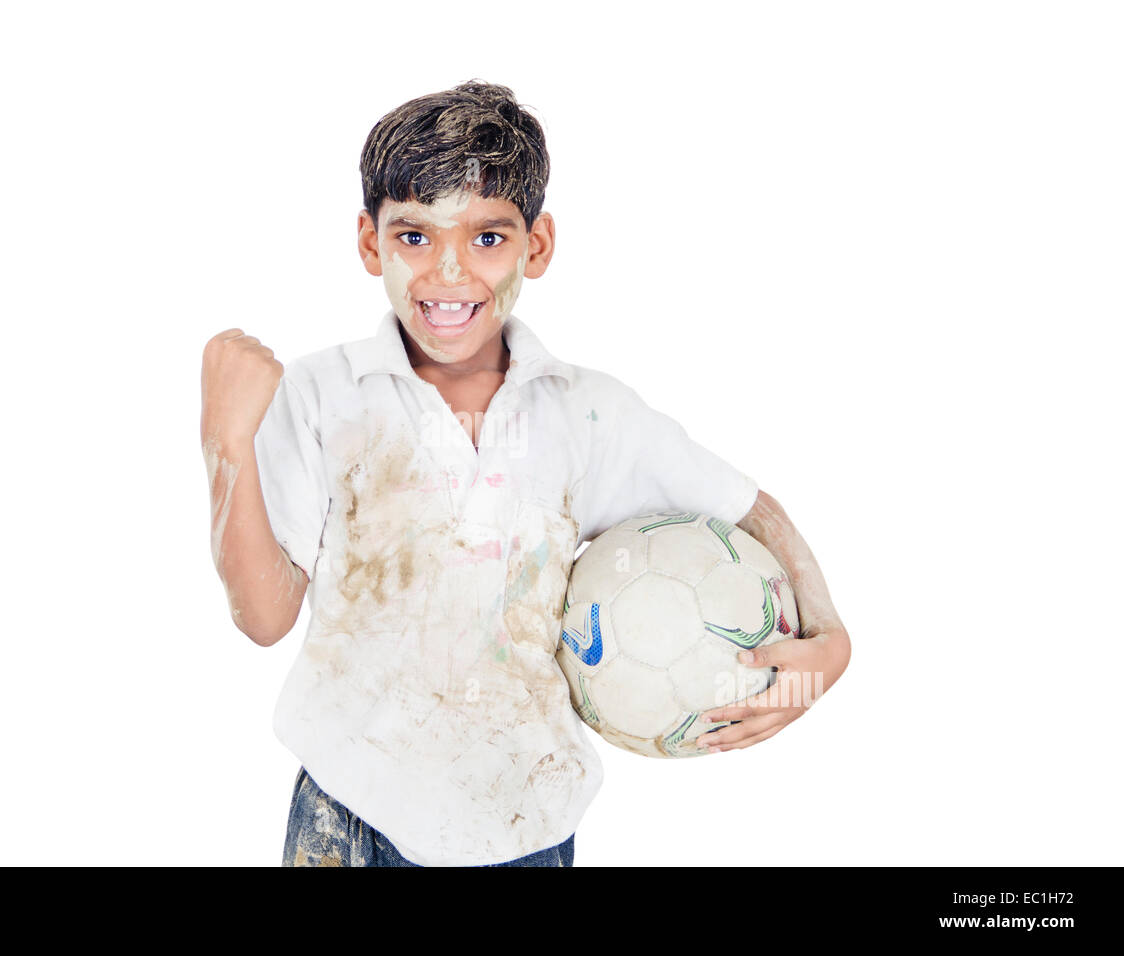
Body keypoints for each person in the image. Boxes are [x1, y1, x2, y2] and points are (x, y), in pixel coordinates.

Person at [199, 80, 851, 867]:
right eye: (413, 237)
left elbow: (750, 509)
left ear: (536, 245)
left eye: (486, 238)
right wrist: (227, 439)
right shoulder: (321, 396)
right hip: (353, 806)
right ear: (370, 243)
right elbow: (264, 618)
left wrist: (831, 642)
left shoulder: (587, 414)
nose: (448, 273)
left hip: (523, 815)